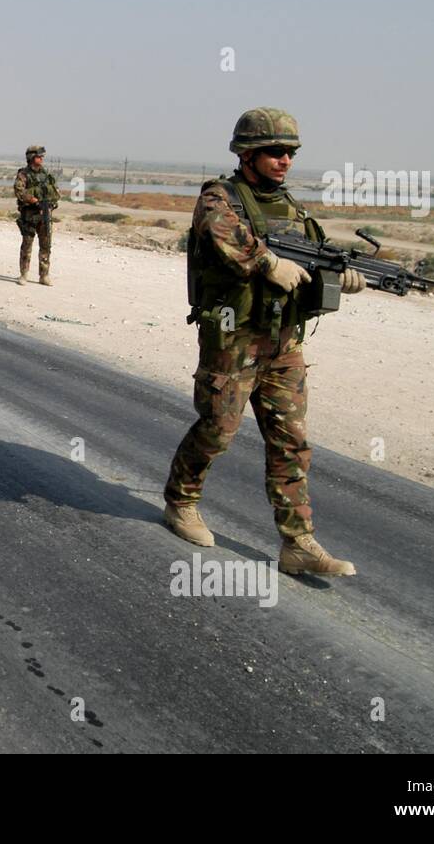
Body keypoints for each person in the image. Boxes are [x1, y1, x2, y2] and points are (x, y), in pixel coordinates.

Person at [162, 108, 364, 577]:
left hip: (283, 342)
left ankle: (297, 542)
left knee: (291, 442)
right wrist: (267, 263)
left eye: (290, 152)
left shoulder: (292, 208)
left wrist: (340, 275)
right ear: (248, 154)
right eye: (275, 151)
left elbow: (313, 261)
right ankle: (181, 501)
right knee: (217, 430)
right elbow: (225, 237)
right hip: (234, 340)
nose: (284, 160)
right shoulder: (219, 197)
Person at [13, 144, 58, 286]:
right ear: (31, 157)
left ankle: (44, 275)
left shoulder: (46, 175)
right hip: (30, 215)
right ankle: (24, 274)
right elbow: (19, 191)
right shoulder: (23, 174)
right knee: (27, 245)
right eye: (39, 156)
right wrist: (33, 201)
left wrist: (51, 203)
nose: (41, 158)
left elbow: (56, 191)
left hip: (45, 215)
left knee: (46, 246)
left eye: (42, 156)